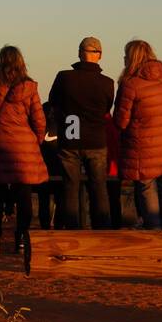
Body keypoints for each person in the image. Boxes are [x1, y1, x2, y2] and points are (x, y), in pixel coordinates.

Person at [0, 46, 48, 254]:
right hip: (24, 147)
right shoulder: (29, 88)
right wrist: (36, 140)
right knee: (24, 193)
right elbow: (39, 120)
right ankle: (22, 239)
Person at [112, 40, 162, 230]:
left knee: (146, 188)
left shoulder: (130, 85)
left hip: (142, 147)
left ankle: (154, 231)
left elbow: (121, 121)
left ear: (131, 57)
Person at [47, 36, 115, 229]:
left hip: (71, 136)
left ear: (79, 53)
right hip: (96, 139)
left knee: (70, 187)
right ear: (99, 56)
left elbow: (53, 102)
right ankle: (102, 229)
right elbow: (105, 109)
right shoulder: (107, 83)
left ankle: (72, 229)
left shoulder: (64, 77)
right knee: (99, 187)